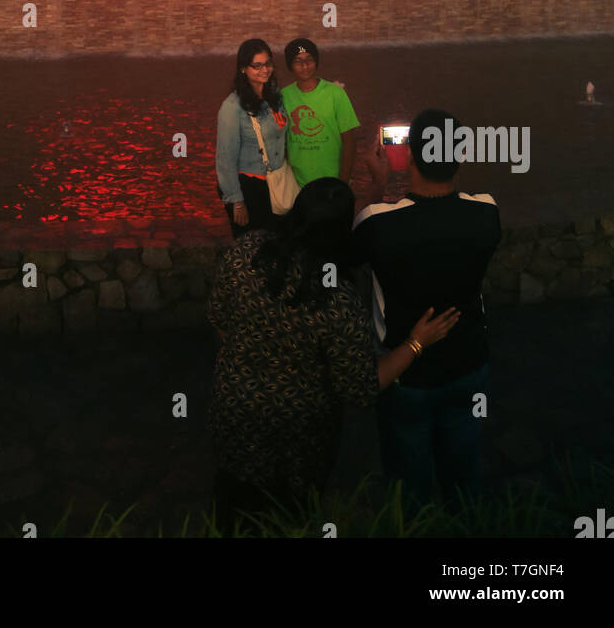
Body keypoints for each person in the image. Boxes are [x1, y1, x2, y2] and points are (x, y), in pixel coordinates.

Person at [206, 177, 460, 530]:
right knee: (288, 517)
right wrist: (416, 342)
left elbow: (219, 319)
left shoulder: (244, 252)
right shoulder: (336, 300)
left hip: (235, 409)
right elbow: (361, 387)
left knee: (233, 508)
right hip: (299, 436)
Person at [351, 107, 501, 509]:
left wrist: (377, 185)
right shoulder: (487, 212)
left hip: (406, 375)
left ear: (410, 157)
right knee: (465, 473)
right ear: (461, 158)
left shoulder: (378, 223)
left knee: (408, 486)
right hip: (468, 364)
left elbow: (353, 244)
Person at [215, 39, 287, 239]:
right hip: (249, 188)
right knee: (251, 249)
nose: (265, 70)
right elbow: (225, 159)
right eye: (257, 65)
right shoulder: (232, 107)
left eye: (268, 63)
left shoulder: (276, 98)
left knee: (277, 244)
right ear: (243, 69)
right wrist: (236, 201)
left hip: (276, 184)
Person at [282, 38, 359, 186]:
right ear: (290, 65)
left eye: (309, 60)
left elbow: (349, 142)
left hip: (333, 182)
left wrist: (342, 184)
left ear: (316, 61)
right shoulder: (284, 96)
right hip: (297, 185)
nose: (305, 66)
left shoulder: (335, 93)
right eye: (298, 61)